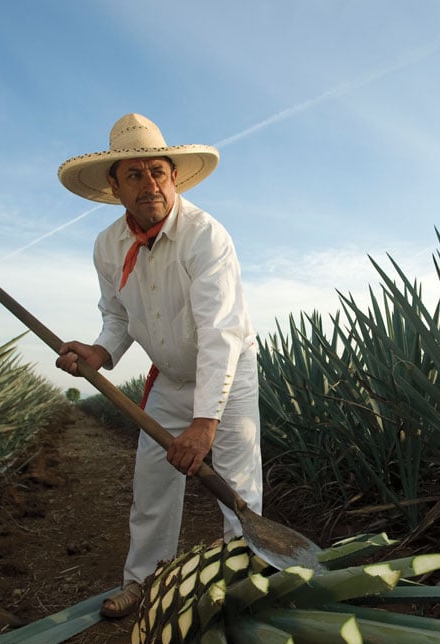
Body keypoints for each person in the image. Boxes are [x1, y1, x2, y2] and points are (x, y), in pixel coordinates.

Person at [55, 113, 264, 618]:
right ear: (115, 186)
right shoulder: (108, 246)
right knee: (151, 484)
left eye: (158, 172)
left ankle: (243, 585)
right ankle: (143, 583)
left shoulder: (204, 236)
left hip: (229, 374)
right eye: (135, 175)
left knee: (237, 485)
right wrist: (100, 353)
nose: (149, 184)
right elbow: (118, 315)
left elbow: (219, 331)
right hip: (169, 379)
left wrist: (206, 421)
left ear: (173, 178)